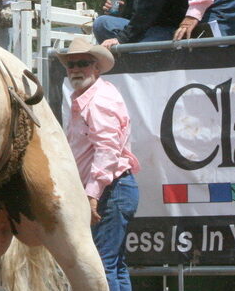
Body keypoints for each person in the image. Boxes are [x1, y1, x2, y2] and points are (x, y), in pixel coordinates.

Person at [57, 37, 140, 291]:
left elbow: (106, 151)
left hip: (109, 190)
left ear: (96, 66)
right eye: (71, 65)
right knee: (113, 264)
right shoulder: (91, 96)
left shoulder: (99, 100)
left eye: (82, 63)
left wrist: (92, 195)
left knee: (103, 266)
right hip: (113, 189)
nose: (76, 70)